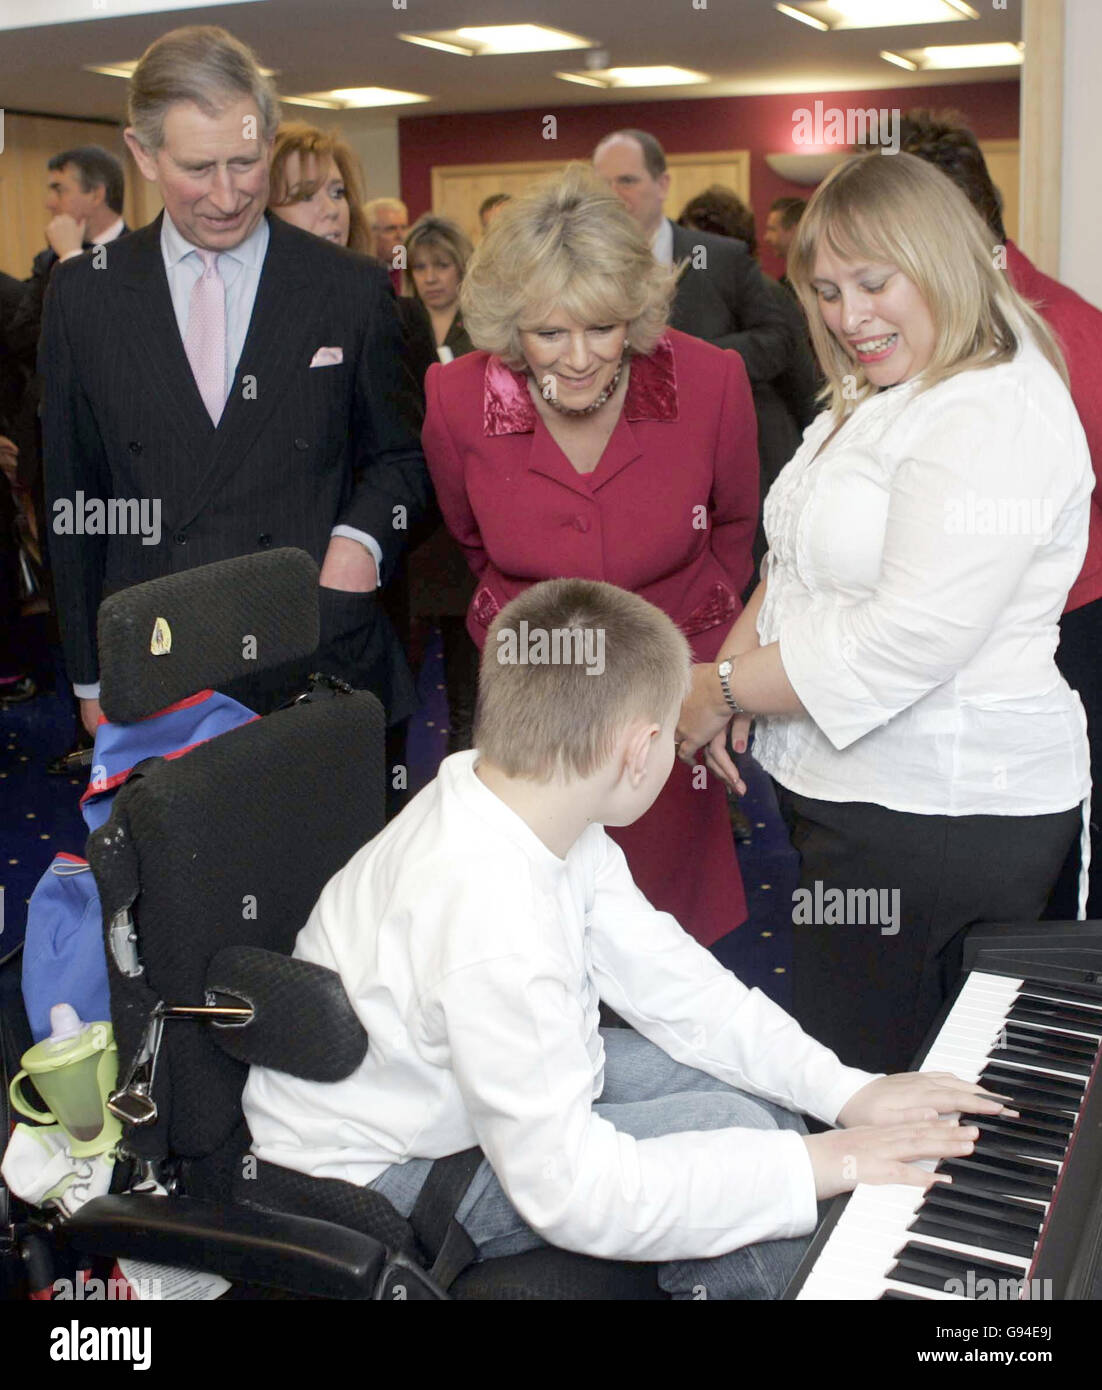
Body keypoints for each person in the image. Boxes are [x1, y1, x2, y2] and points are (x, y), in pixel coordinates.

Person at [243, 577, 1003, 1299]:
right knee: (747, 1145)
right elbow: (570, 1196)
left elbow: (678, 984)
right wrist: (820, 1163)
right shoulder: (496, 924)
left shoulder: (515, 797)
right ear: (638, 751)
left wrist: (849, 1093)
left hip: (434, 1084)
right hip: (374, 1166)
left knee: (760, 1115)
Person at [675, 152, 1092, 1074]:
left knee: (876, 1088)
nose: (848, 315)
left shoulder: (991, 407)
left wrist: (722, 686)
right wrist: (731, 684)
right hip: (864, 804)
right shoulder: (893, 387)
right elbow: (795, 561)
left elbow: (912, 637)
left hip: (940, 811)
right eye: (825, 289)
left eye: (874, 281)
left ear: (941, 258)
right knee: (865, 1070)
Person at [40, 25, 430, 733]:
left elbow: (403, 458)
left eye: (246, 164)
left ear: (270, 143)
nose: (226, 196)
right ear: (143, 153)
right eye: (198, 168)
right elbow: (72, 493)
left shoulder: (348, 286)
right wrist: (89, 676)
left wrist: (360, 544)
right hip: (161, 664)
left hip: (319, 652)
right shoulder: (85, 295)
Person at [422, 167, 758, 950]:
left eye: (603, 329)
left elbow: (735, 531)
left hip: (668, 698)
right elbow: (472, 541)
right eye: (549, 333)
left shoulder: (711, 381)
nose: (577, 358)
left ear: (636, 317)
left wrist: (702, 676)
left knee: (667, 934)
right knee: (538, 928)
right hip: (535, 698)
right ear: (510, 329)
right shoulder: (457, 398)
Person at [890, 108, 1102, 922]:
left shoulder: (1065, 335)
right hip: (926, 635)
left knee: (1036, 875)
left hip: (1053, 639)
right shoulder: (896, 327)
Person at [594, 130, 803, 572]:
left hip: (719, 470)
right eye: (603, 184)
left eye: (627, 181)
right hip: (626, 473)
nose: (614, 196)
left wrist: (696, 363)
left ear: (663, 184)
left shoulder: (720, 258)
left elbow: (779, 340)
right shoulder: (583, 269)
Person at [402, 215, 479, 752]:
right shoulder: (398, 321)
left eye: (441, 265)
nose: (430, 277)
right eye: (420, 267)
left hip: (465, 505)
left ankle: (463, 760)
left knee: (465, 664)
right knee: (403, 663)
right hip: (408, 510)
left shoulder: (483, 326)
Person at [363, 196, 409, 294]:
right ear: (371, 235)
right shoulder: (360, 274)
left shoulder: (414, 273)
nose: (401, 236)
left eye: (404, 228)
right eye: (391, 229)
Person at [763, 197, 807, 295]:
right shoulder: (786, 283)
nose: (766, 237)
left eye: (772, 229)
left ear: (794, 230)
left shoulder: (815, 280)